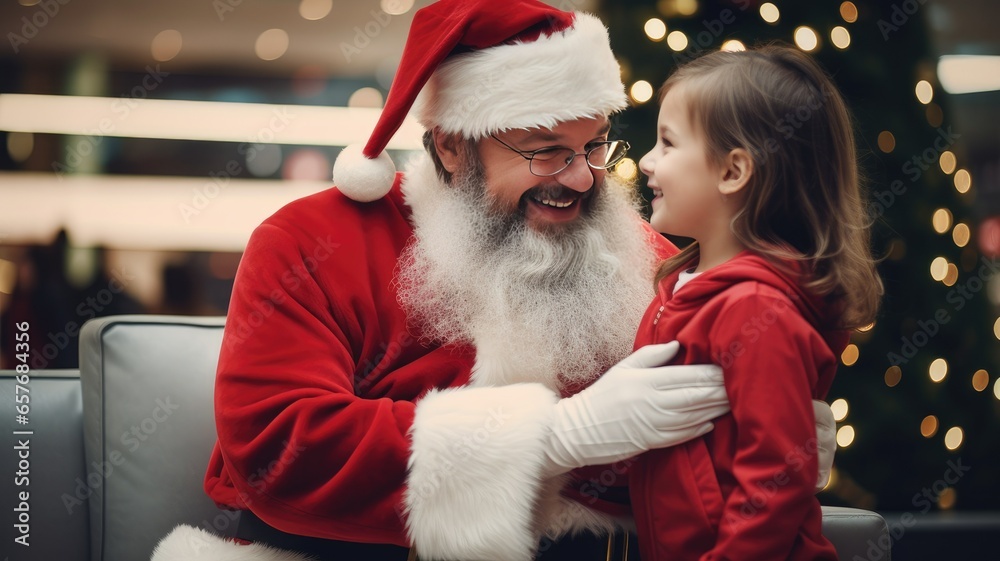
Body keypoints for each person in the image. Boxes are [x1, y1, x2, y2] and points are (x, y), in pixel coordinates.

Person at [151, 3, 836, 560]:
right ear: (451, 144)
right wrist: (555, 436)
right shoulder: (309, 244)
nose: (581, 177)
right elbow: (280, 443)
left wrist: (758, 425)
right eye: (546, 152)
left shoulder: (649, 260)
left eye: (596, 144)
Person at [628, 46, 883, 561]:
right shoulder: (683, 283)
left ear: (733, 171)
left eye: (667, 143)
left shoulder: (753, 309)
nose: (646, 160)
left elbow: (777, 479)